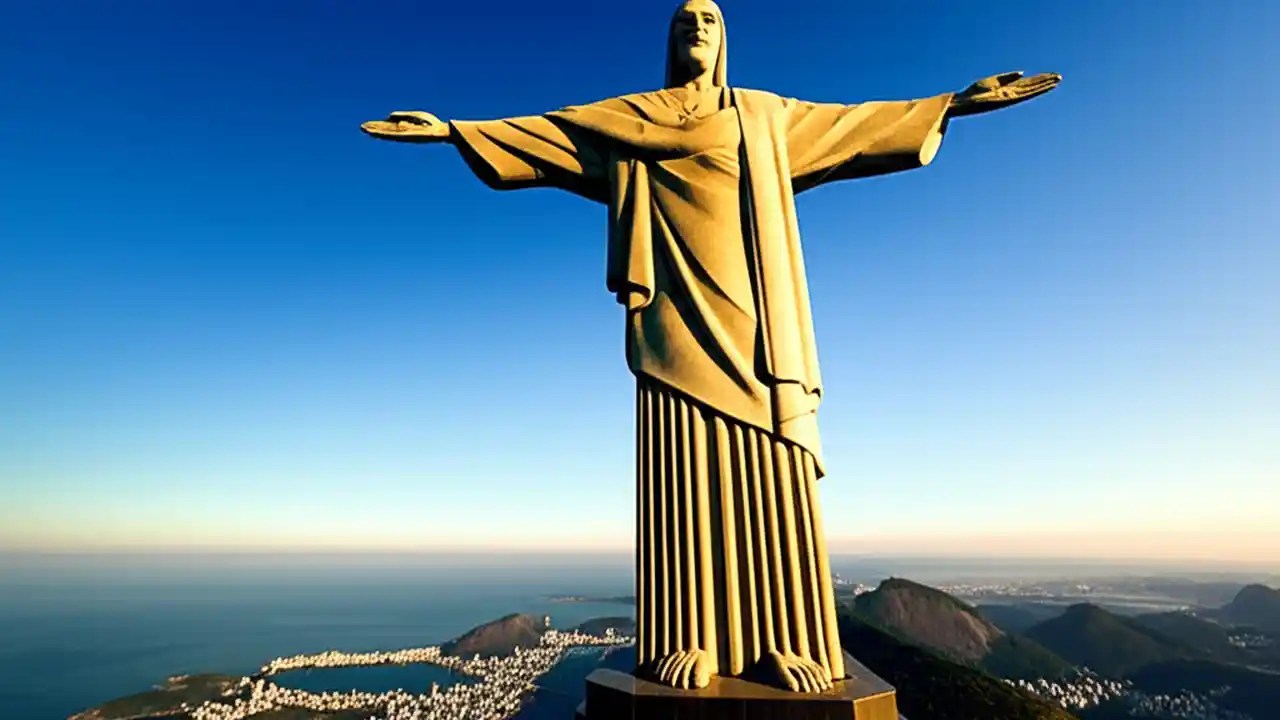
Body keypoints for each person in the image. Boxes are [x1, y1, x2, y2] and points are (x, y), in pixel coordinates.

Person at [361, 0, 1059, 693]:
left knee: (769, 471)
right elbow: (547, 135)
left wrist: (953, 104)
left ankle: (784, 642)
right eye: (682, 18)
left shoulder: (764, 116)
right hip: (672, 318)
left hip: (758, 322)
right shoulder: (628, 120)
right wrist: (455, 131)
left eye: (709, 18)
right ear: (669, 41)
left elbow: (855, 125)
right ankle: (687, 639)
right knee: (683, 472)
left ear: (724, 40)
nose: (695, 25)